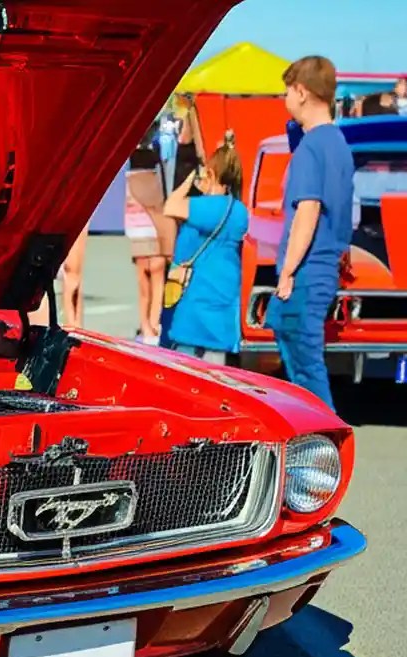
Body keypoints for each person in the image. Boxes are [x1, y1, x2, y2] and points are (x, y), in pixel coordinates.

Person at [266, 56, 355, 411]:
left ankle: (322, 445)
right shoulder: (339, 144)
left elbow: (308, 210)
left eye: (288, 91)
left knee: (305, 368)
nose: (286, 99)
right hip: (325, 267)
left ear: (301, 92)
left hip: (306, 270)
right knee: (299, 353)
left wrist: (287, 272)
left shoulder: (311, 147)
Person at [160, 142, 249, 364]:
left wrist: (190, 179)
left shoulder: (205, 208)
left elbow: (170, 206)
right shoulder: (238, 211)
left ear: (210, 172)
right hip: (222, 312)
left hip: (196, 315)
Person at [126, 121, 176, 344]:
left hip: (136, 219)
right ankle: (151, 325)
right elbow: (157, 191)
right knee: (154, 274)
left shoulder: (134, 159)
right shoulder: (152, 159)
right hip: (147, 218)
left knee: (145, 276)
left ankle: (148, 325)